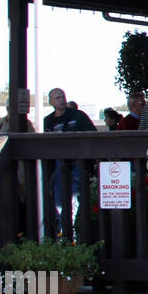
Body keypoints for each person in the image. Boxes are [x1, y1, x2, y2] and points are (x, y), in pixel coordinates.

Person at [44, 87, 97, 238]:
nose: (61, 99)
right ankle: (64, 238)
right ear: (51, 102)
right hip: (58, 167)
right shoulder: (48, 121)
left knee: (74, 202)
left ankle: (72, 237)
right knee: (58, 204)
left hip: (77, 164)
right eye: (57, 97)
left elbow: (93, 135)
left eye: (63, 96)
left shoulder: (78, 116)